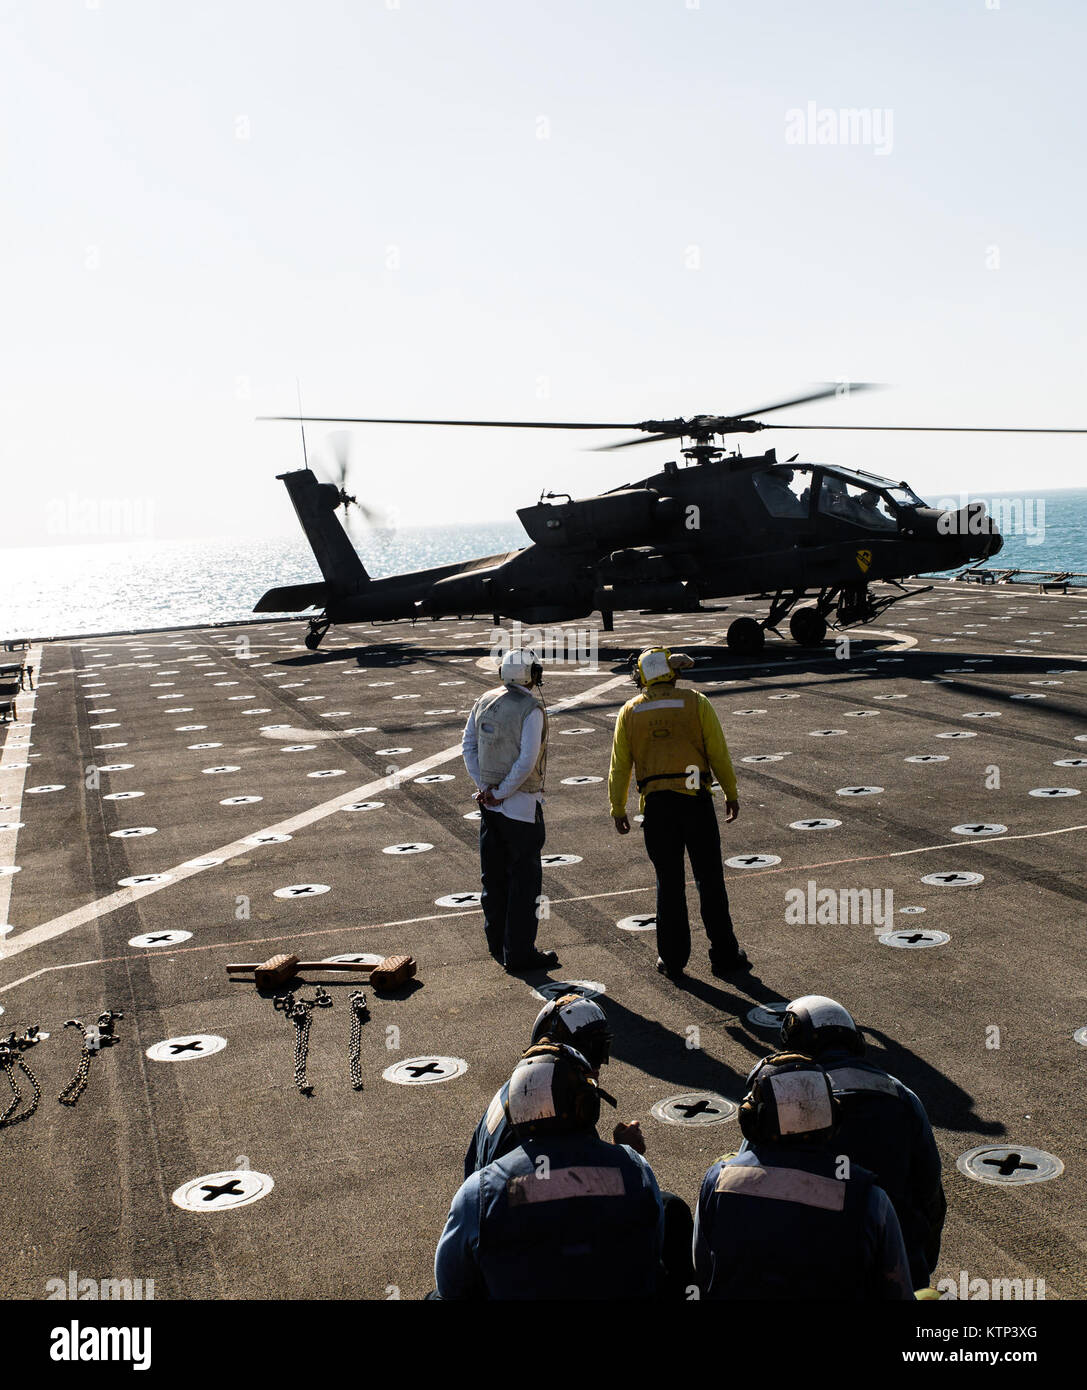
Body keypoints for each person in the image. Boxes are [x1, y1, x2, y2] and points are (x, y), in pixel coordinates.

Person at [434, 1044, 665, 1300]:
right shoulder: (635, 1167)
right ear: (586, 1105)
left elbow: (450, 1286)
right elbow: (654, 1247)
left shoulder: (479, 1192)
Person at [692, 1053, 915, 1300]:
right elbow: (898, 1292)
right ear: (832, 1117)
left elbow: (703, 1268)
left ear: (756, 1119)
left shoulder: (718, 1181)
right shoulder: (869, 1198)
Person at [779, 994, 946, 1289]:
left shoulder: (789, 1101)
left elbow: (755, 1175)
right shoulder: (903, 1097)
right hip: (896, 1270)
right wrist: (917, 1262)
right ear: (856, 1042)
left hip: (810, 1270)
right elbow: (930, 1189)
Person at [608, 646, 747, 980]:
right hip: (695, 801)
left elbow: (620, 766)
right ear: (672, 673)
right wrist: (730, 792)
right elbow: (718, 753)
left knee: (668, 883)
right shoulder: (696, 703)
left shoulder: (630, 712)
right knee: (709, 879)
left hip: (657, 808)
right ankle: (724, 954)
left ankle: (672, 959)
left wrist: (617, 807)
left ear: (643, 675)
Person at [462, 648, 558, 973]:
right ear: (533, 674)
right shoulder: (531, 709)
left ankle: (497, 946)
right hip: (520, 807)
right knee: (524, 883)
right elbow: (527, 760)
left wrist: (485, 788)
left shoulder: (484, 700)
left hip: (488, 806)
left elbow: (468, 746)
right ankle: (519, 954)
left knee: (494, 877)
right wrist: (501, 793)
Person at [464, 992, 613, 1177]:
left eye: (603, 1049)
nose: (599, 1064)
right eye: (592, 1051)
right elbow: (567, 1182)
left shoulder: (513, 1091)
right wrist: (623, 1156)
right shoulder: (552, 1105)